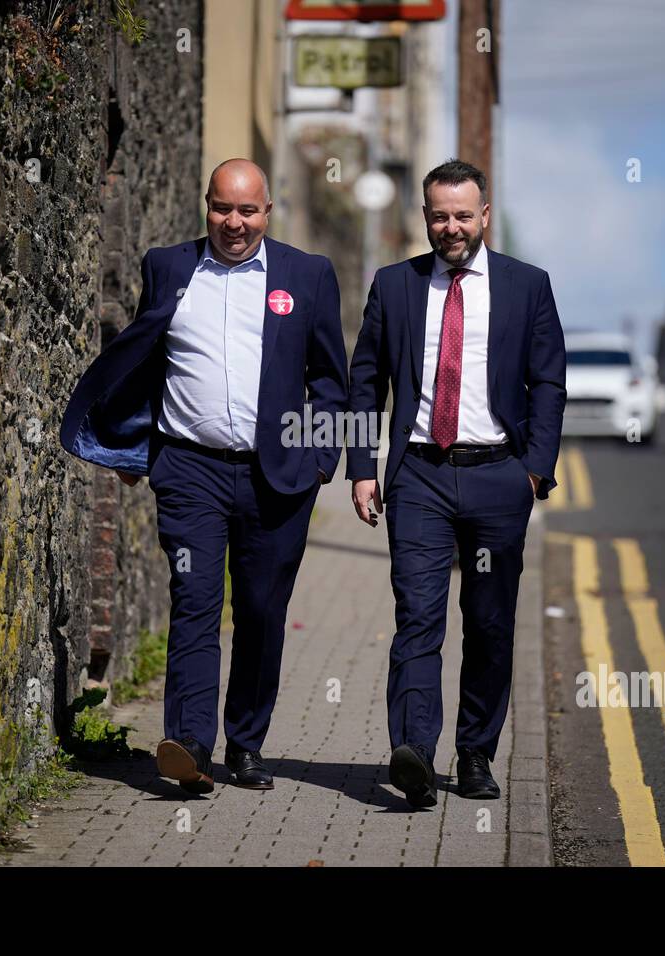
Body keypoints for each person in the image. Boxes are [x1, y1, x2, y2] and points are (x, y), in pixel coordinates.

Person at [60, 159, 348, 793]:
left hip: (278, 478)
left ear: (267, 213)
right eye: (223, 208)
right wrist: (134, 449)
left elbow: (330, 380)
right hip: (190, 468)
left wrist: (323, 461)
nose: (234, 223)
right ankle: (189, 744)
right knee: (194, 602)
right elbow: (144, 358)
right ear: (206, 207)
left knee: (262, 612)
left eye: (248, 211)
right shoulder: (168, 267)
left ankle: (245, 744)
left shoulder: (307, 274)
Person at [345, 159, 567, 809]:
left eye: (463, 215)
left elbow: (548, 381)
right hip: (419, 478)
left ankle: (475, 754)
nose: (451, 227)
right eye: (439, 216)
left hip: (500, 475)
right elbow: (366, 383)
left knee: (491, 622)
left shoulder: (528, 287)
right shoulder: (395, 285)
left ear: (485, 216)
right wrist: (363, 468)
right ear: (425, 217)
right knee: (417, 616)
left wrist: (535, 470)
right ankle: (413, 752)